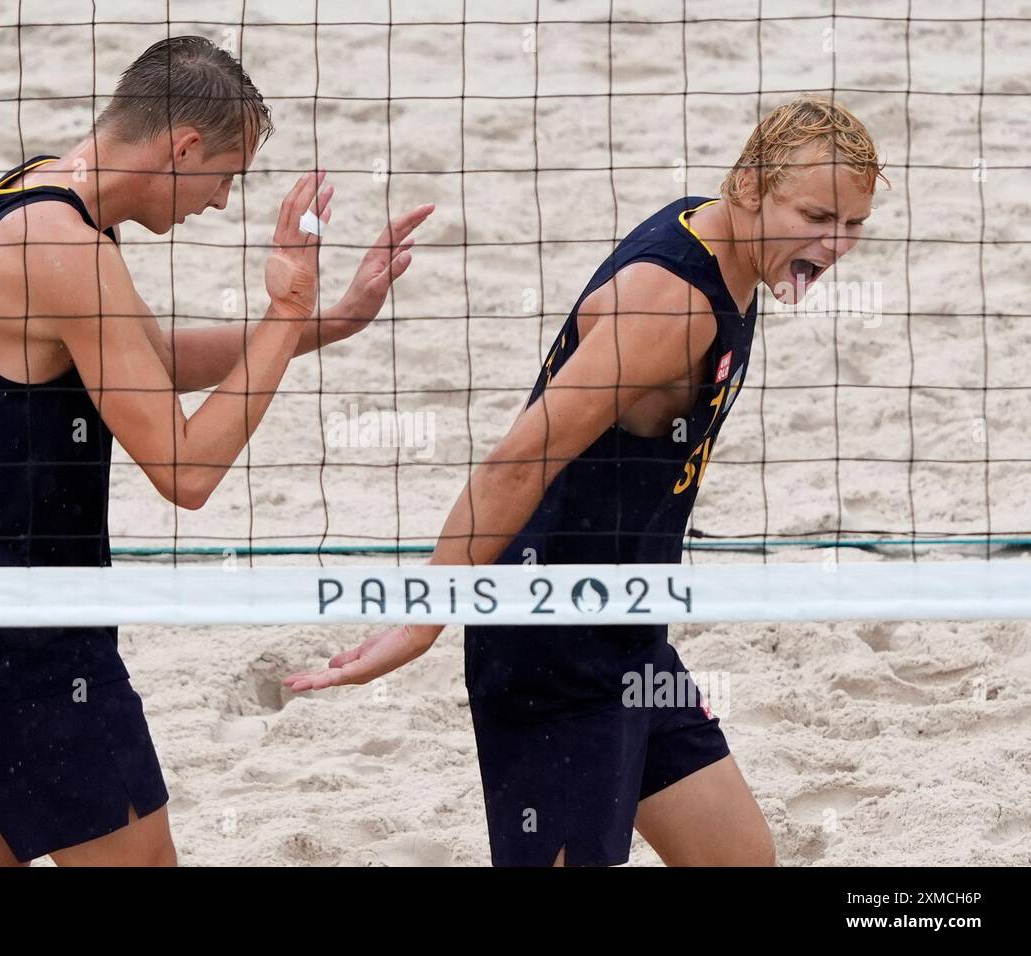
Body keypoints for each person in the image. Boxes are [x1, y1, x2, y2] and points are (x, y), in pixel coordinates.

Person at [286, 95, 885, 867]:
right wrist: (422, 617)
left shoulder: (729, 244)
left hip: (628, 632)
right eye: (816, 216)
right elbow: (516, 459)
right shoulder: (672, 307)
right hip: (552, 649)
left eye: (853, 224)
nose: (834, 244)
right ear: (748, 187)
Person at [0, 35, 433, 866]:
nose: (219, 202)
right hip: (24, 632)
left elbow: (148, 361)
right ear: (182, 147)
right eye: (226, 176)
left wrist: (329, 323)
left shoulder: (34, 194)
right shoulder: (65, 251)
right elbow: (186, 471)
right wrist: (284, 314)